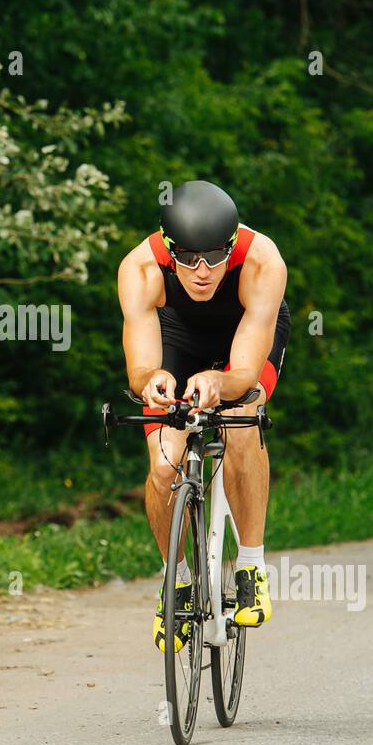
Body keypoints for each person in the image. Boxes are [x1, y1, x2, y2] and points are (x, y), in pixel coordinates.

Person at [116, 180, 290, 651]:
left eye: (215, 257)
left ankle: (251, 564)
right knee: (162, 461)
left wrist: (219, 382)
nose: (201, 270)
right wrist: (153, 380)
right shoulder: (140, 269)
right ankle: (177, 580)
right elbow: (141, 367)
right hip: (177, 332)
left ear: (231, 247)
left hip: (245, 330)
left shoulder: (263, 262)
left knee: (240, 422)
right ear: (168, 248)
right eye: (188, 257)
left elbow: (245, 372)